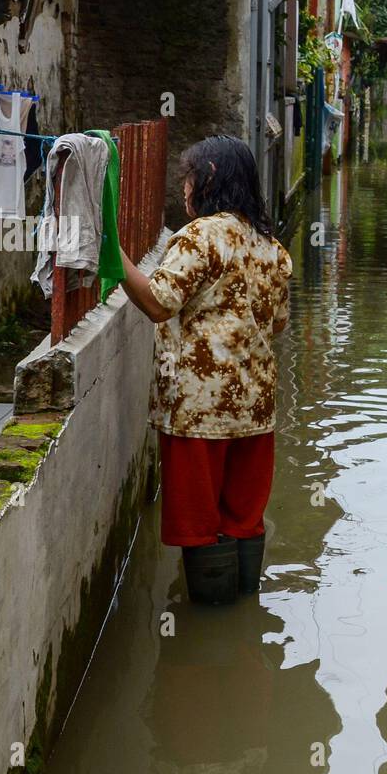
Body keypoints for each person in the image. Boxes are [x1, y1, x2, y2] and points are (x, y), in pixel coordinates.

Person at [120, 135, 292, 603]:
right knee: (243, 518)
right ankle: (242, 630)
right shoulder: (272, 248)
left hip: (198, 410)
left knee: (200, 526)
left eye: (188, 178)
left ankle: (208, 634)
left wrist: (111, 255)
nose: (183, 189)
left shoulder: (200, 236)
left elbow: (158, 303)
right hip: (255, 409)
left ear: (209, 179)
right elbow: (277, 325)